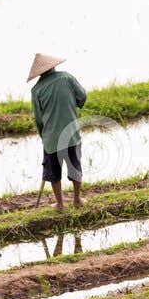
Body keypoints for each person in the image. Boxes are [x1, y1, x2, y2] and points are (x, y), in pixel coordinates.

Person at [28, 52, 88, 211]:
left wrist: (44, 136)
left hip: (51, 139)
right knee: (75, 167)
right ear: (53, 65)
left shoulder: (36, 90)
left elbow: (39, 119)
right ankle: (77, 199)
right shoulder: (67, 78)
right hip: (71, 135)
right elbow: (82, 97)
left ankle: (60, 204)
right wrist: (74, 103)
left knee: (53, 172)